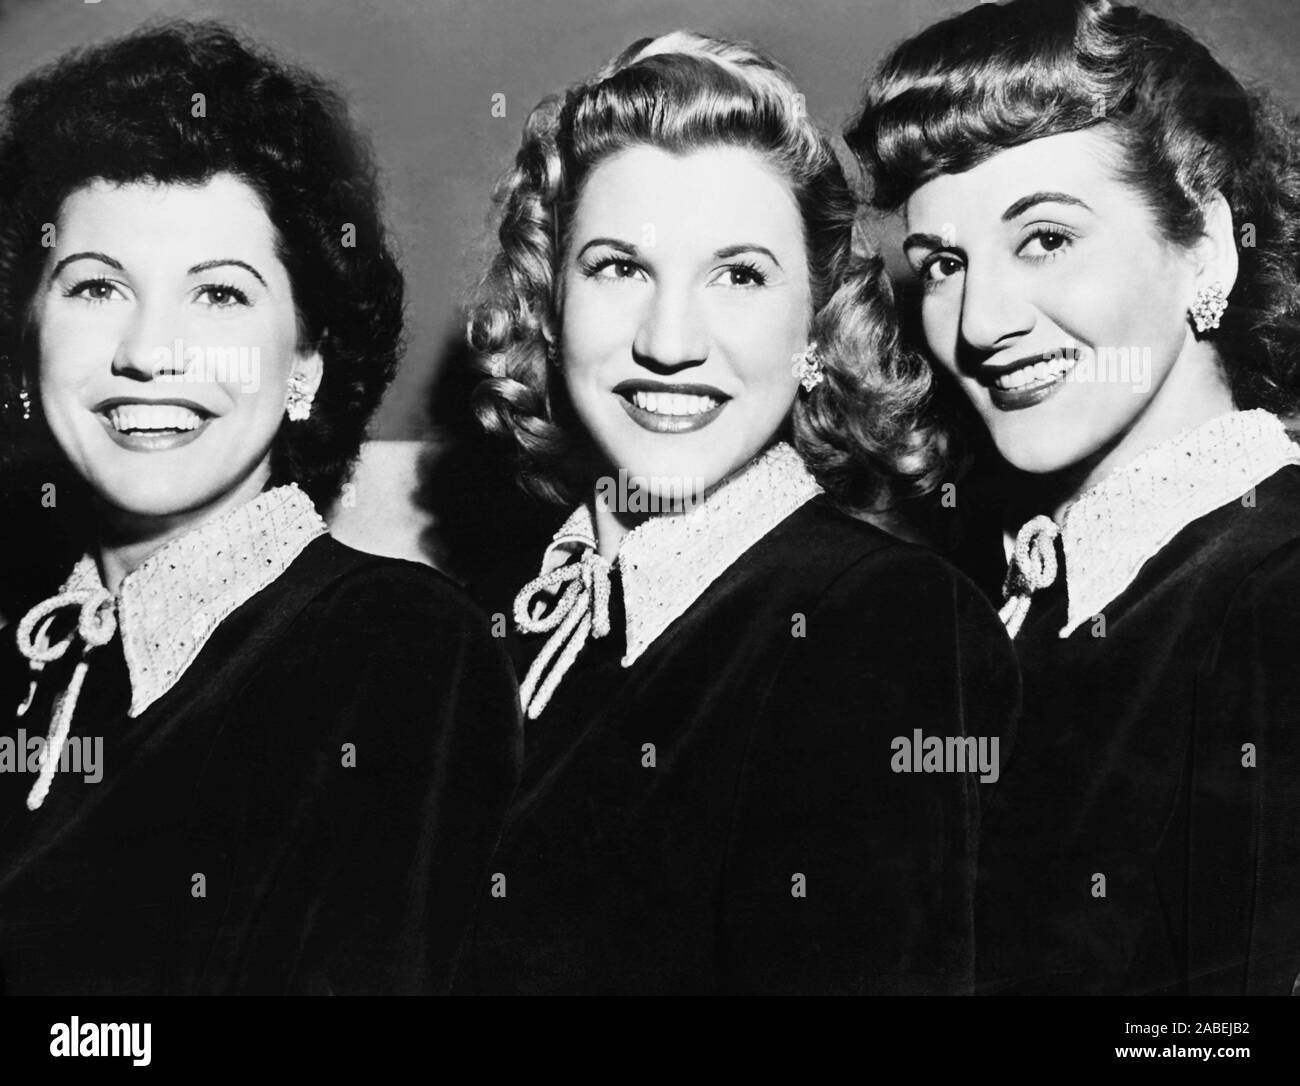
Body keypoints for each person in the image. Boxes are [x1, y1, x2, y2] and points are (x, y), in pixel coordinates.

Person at [457, 30, 1019, 995]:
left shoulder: (885, 623)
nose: (669, 340)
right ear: (551, 310)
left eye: (740, 275)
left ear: (818, 330)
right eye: (619, 268)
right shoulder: (526, 628)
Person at [0, 21, 521, 995]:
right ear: (29, 345)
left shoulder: (395, 650)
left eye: (220, 298)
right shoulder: (29, 650)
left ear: (305, 370)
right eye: (99, 285)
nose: (150, 353)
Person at [849, 0, 1300, 995]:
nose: (981, 323)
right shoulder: (1028, 605)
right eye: (941, 267)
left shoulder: (1273, 594)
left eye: (1046, 238)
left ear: (1208, 245)